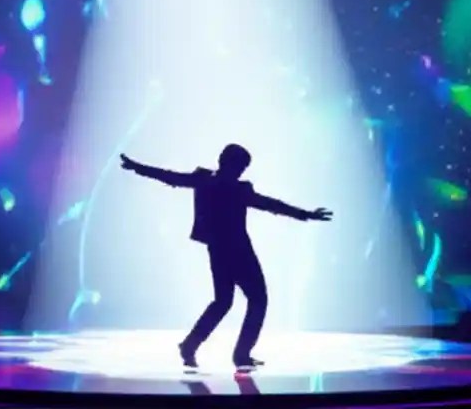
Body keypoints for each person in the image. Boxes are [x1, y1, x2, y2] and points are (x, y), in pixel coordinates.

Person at [120, 144, 332, 370]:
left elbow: (269, 204)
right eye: (240, 166)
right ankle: (235, 353)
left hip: (220, 250)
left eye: (243, 167)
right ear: (228, 163)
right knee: (255, 299)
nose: (241, 171)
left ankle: (194, 346)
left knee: (225, 301)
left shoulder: (211, 182)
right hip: (237, 251)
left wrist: (304, 214)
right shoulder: (227, 187)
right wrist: (305, 215)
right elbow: (170, 177)